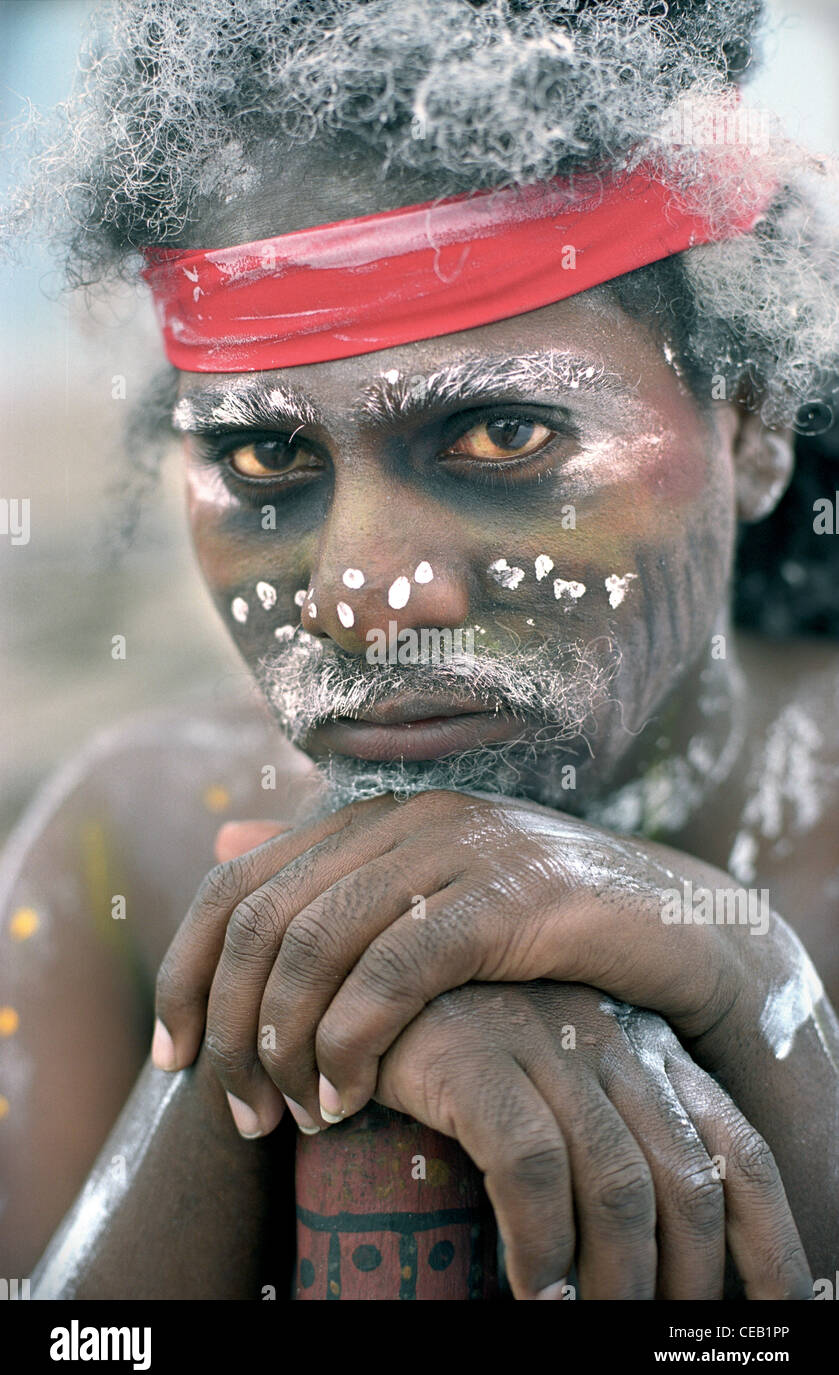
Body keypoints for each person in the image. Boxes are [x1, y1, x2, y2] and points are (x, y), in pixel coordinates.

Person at [2, 0, 838, 1300]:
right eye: (267, 456)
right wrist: (255, 1029)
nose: (360, 602)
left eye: (502, 440)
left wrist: (750, 989)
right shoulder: (125, 841)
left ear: (748, 423)